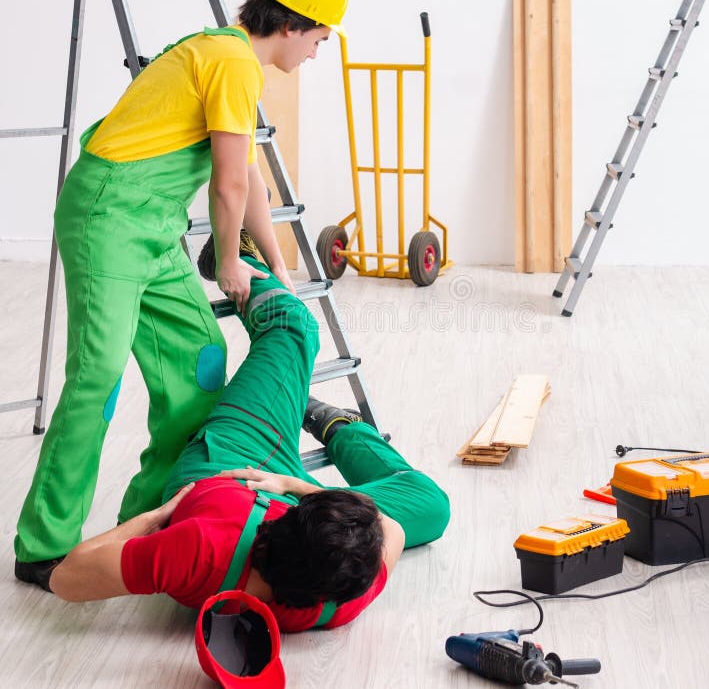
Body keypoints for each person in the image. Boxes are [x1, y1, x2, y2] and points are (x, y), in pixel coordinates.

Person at [15, 0, 350, 586]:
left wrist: (278, 264)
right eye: (319, 38)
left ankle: (146, 520)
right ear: (292, 24)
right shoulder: (230, 62)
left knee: (199, 364)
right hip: (108, 214)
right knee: (98, 375)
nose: (316, 51)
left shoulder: (234, 63)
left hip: (154, 224)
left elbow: (248, 174)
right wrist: (229, 261)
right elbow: (226, 186)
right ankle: (43, 544)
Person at [46, 244, 451, 632]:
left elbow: (65, 577)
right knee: (432, 505)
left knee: (294, 327)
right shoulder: (340, 596)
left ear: (283, 522)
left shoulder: (195, 548)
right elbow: (391, 529)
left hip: (229, 459)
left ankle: (237, 258)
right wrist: (296, 487)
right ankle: (336, 425)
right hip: (281, 487)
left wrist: (156, 518)